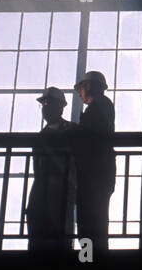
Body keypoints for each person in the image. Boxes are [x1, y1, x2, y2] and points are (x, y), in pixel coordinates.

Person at [25, 86, 76, 255]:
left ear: (60, 107)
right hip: (43, 190)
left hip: (62, 189)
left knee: (61, 234)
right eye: (43, 103)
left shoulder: (73, 131)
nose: (45, 107)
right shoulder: (41, 136)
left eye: (49, 103)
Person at [73, 71, 116, 257]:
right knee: (94, 220)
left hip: (94, 174)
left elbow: (93, 133)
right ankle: (92, 256)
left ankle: (90, 258)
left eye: (81, 88)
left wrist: (75, 133)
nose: (80, 93)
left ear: (88, 86)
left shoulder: (99, 105)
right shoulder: (103, 105)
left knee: (90, 220)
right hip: (98, 172)